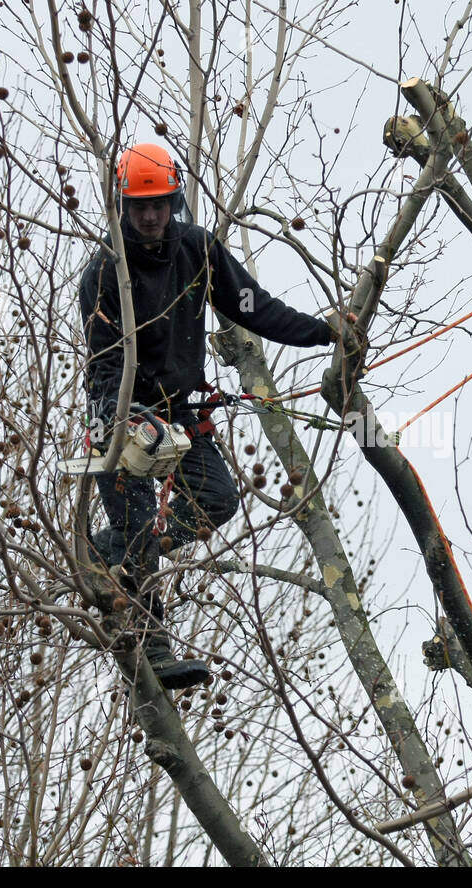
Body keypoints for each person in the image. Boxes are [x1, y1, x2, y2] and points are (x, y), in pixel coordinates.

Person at [80, 142, 335, 689]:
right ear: (121, 207)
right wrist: (126, 418)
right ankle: (154, 653)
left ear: (174, 201)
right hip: (121, 416)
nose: (150, 216)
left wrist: (323, 331)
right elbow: (102, 368)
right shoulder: (104, 272)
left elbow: (252, 306)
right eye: (139, 207)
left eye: (160, 205)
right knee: (137, 521)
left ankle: (106, 553)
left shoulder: (198, 250)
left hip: (182, 413)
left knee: (217, 499)